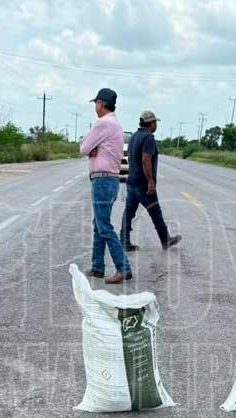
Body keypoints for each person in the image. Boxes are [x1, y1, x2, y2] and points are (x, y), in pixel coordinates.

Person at [79, 88, 132, 284]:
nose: (95, 106)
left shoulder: (103, 123)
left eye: (96, 103)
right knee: (99, 224)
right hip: (110, 180)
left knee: (104, 226)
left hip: (102, 180)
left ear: (101, 104)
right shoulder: (116, 125)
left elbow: (83, 147)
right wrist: (96, 148)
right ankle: (98, 266)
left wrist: (92, 148)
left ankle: (123, 267)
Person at [120, 110, 182, 252]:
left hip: (132, 181)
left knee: (129, 212)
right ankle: (165, 239)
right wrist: (150, 181)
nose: (156, 125)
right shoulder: (148, 138)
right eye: (155, 122)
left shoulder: (134, 136)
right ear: (151, 123)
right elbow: (145, 159)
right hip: (143, 183)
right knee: (155, 212)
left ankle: (124, 240)